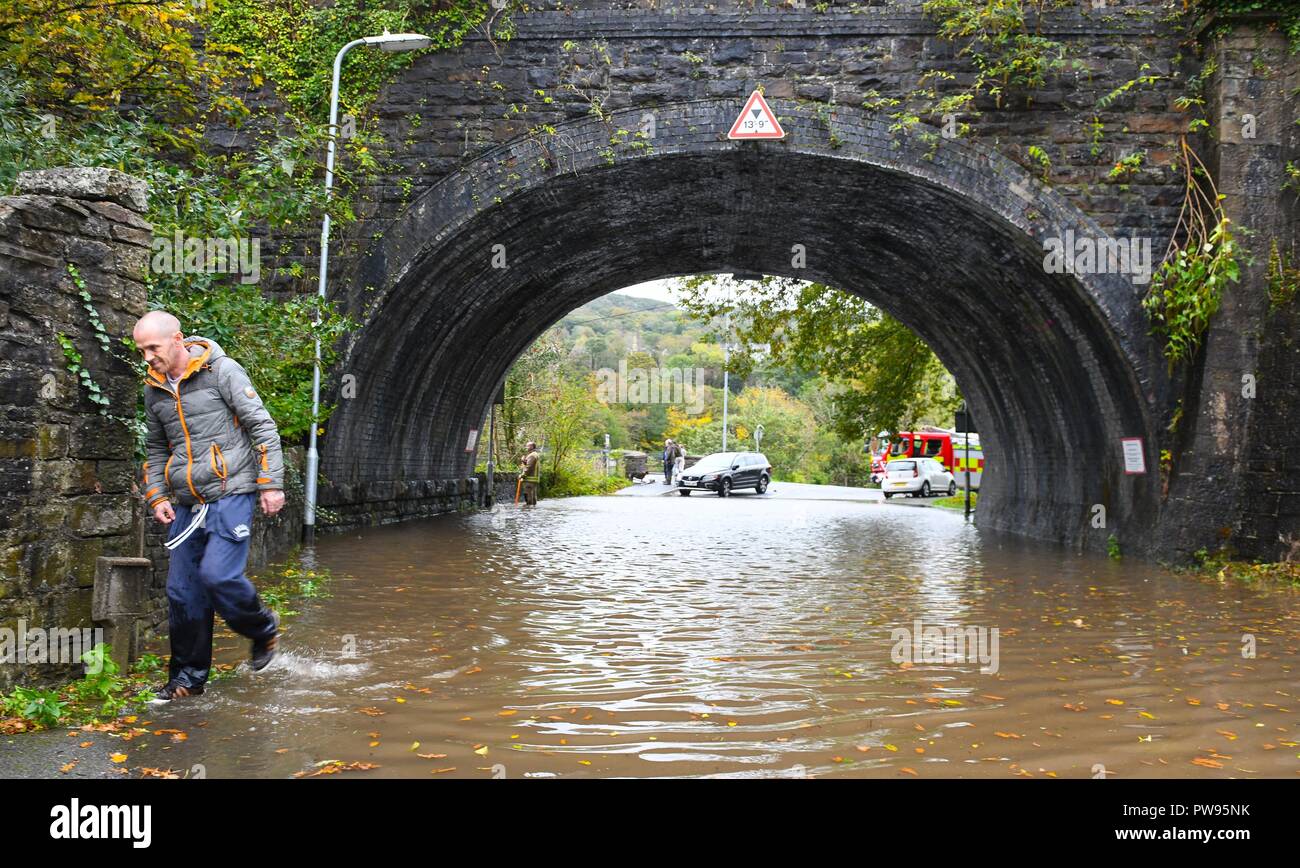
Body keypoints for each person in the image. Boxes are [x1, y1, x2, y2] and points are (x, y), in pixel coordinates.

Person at [134, 311, 284, 701]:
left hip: (231, 491)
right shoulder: (154, 390)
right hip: (186, 502)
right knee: (182, 593)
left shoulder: (222, 372)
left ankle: (263, 629)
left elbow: (261, 425)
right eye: (141, 350)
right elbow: (153, 448)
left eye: (153, 348)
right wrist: (158, 495)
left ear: (177, 339)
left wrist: (270, 483)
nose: (148, 357)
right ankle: (187, 679)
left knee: (218, 576)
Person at [520, 440, 541, 506]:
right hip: (532, 480)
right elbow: (529, 464)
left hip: (530, 480)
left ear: (532, 447)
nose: (526, 447)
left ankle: (529, 511)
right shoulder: (534, 455)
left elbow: (529, 467)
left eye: (527, 446)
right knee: (532, 496)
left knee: (529, 496)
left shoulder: (532, 455)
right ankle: (532, 510)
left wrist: (522, 475)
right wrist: (523, 461)